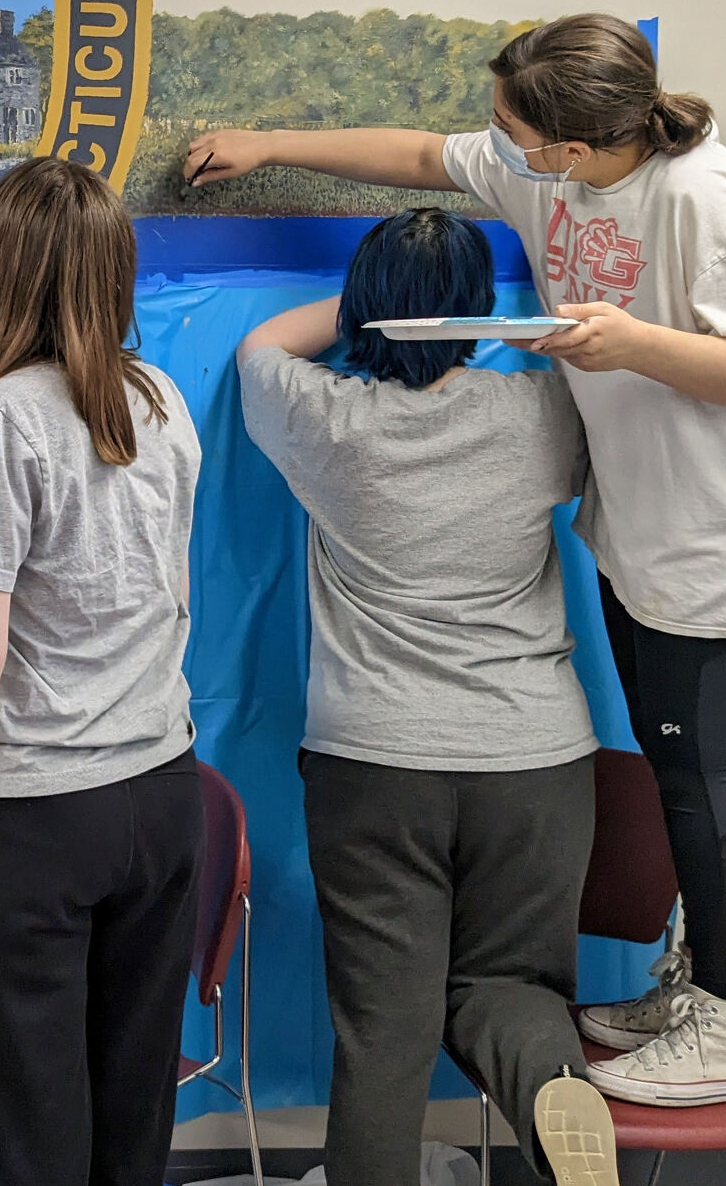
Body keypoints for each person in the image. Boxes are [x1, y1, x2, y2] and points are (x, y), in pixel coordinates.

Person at [190, 14, 726, 1106]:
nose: (488, 141)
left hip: (715, 538)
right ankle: (690, 994)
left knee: (703, 776)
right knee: (660, 794)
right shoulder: (546, 226)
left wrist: (629, 345)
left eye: (507, 127)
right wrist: (264, 141)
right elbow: (420, 158)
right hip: (618, 560)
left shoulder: (709, 204)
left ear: (569, 146)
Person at [237, 208, 620, 1186]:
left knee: (383, 1023)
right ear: (477, 309)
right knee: (511, 984)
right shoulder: (540, 411)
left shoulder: (326, 419)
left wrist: (375, 308)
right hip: (533, 757)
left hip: (374, 762)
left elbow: (259, 342)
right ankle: (547, 1086)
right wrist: (459, 319)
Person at [0, 155, 202, 1186]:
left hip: (31, 813)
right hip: (162, 798)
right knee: (131, 1106)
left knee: (31, 1128)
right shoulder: (160, 398)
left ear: (2, 271)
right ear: (111, 271)